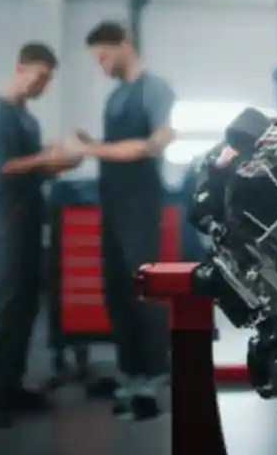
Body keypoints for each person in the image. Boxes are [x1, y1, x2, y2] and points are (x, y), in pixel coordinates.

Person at [68, 21, 176, 421]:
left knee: (141, 286)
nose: (101, 65)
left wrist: (90, 149)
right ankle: (131, 372)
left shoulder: (155, 90)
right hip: (112, 201)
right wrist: (89, 144)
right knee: (115, 288)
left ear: (124, 44)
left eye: (103, 56)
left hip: (140, 203)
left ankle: (155, 373)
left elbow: (152, 144)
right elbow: (115, 148)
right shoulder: (115, 97)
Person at [0, 43, 80, 428]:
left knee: (27, 306)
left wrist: (64, 160)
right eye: (40, 77)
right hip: (4, 222)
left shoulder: (27, 120)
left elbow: (34, 168)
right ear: (20, 68)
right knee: (4, 306)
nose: (43, 85)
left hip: (29, 221)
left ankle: (11, 386)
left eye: (48, 80)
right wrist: (44, 158)